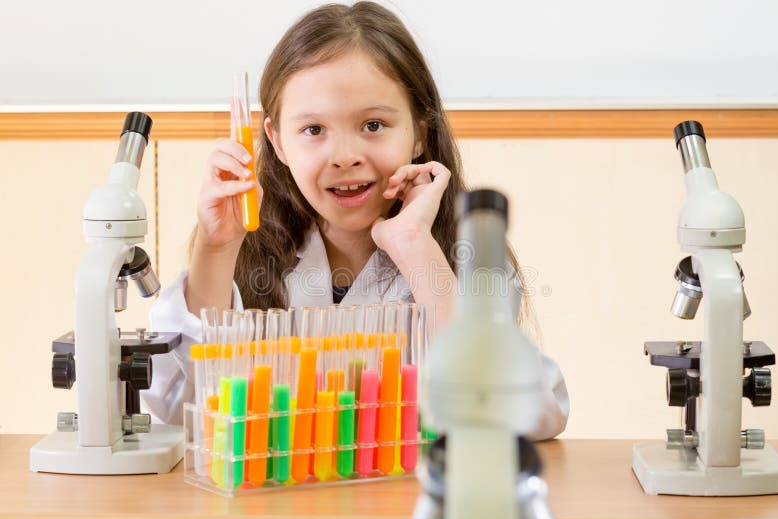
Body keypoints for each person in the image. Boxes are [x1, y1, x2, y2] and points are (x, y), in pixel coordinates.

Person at [143, 1, 569, 440]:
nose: (345, 156)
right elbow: (177, 414)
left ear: (421, 131)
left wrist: (415, 247)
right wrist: (215, 250)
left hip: (410, 504)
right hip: (281, 505)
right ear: (277, 142)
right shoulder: (246, 249)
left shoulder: (464, 258)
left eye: (373, 124)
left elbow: (531, 413)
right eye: (313, 130)